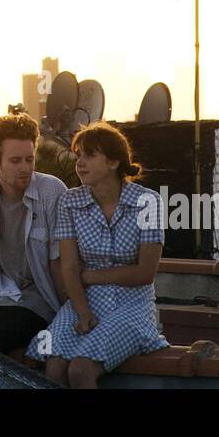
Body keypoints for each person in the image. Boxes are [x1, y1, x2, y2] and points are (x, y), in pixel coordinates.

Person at [26, 121, 170, 388]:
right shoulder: (70, 201)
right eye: (78, 155)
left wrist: (90, 276)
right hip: (83, 301)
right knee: (54, 367)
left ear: (114, 162)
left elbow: (144, 273)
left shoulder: (147, 202)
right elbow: (68, 267)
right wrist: (82, 312)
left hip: (132, 306)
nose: (80, 162)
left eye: (90, 156)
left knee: (80, 370)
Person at [0, 112, 68, 356]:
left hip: (40, 300)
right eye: (16, 161)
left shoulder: (52, 190)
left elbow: (59, 262)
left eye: (29, 159)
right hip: (1, 294)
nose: (25, 168)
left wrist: (68, 317)